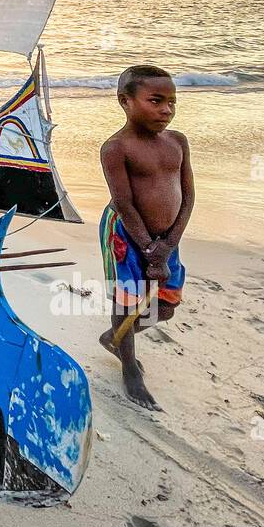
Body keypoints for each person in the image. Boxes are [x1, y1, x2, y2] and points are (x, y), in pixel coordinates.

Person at [97, 65, 194, 410]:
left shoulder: (177, 142)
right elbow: (123, 203)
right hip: (126, 232)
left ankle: (115, 339)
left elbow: (189, 195)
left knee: (166, 305)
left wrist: (166, 246)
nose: (166, 110)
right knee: (127, 301)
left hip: (167, 238)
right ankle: (129, 369)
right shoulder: (116, 148)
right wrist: (148, 249)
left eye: (172, 102)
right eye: (156, 101)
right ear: (125, 101)